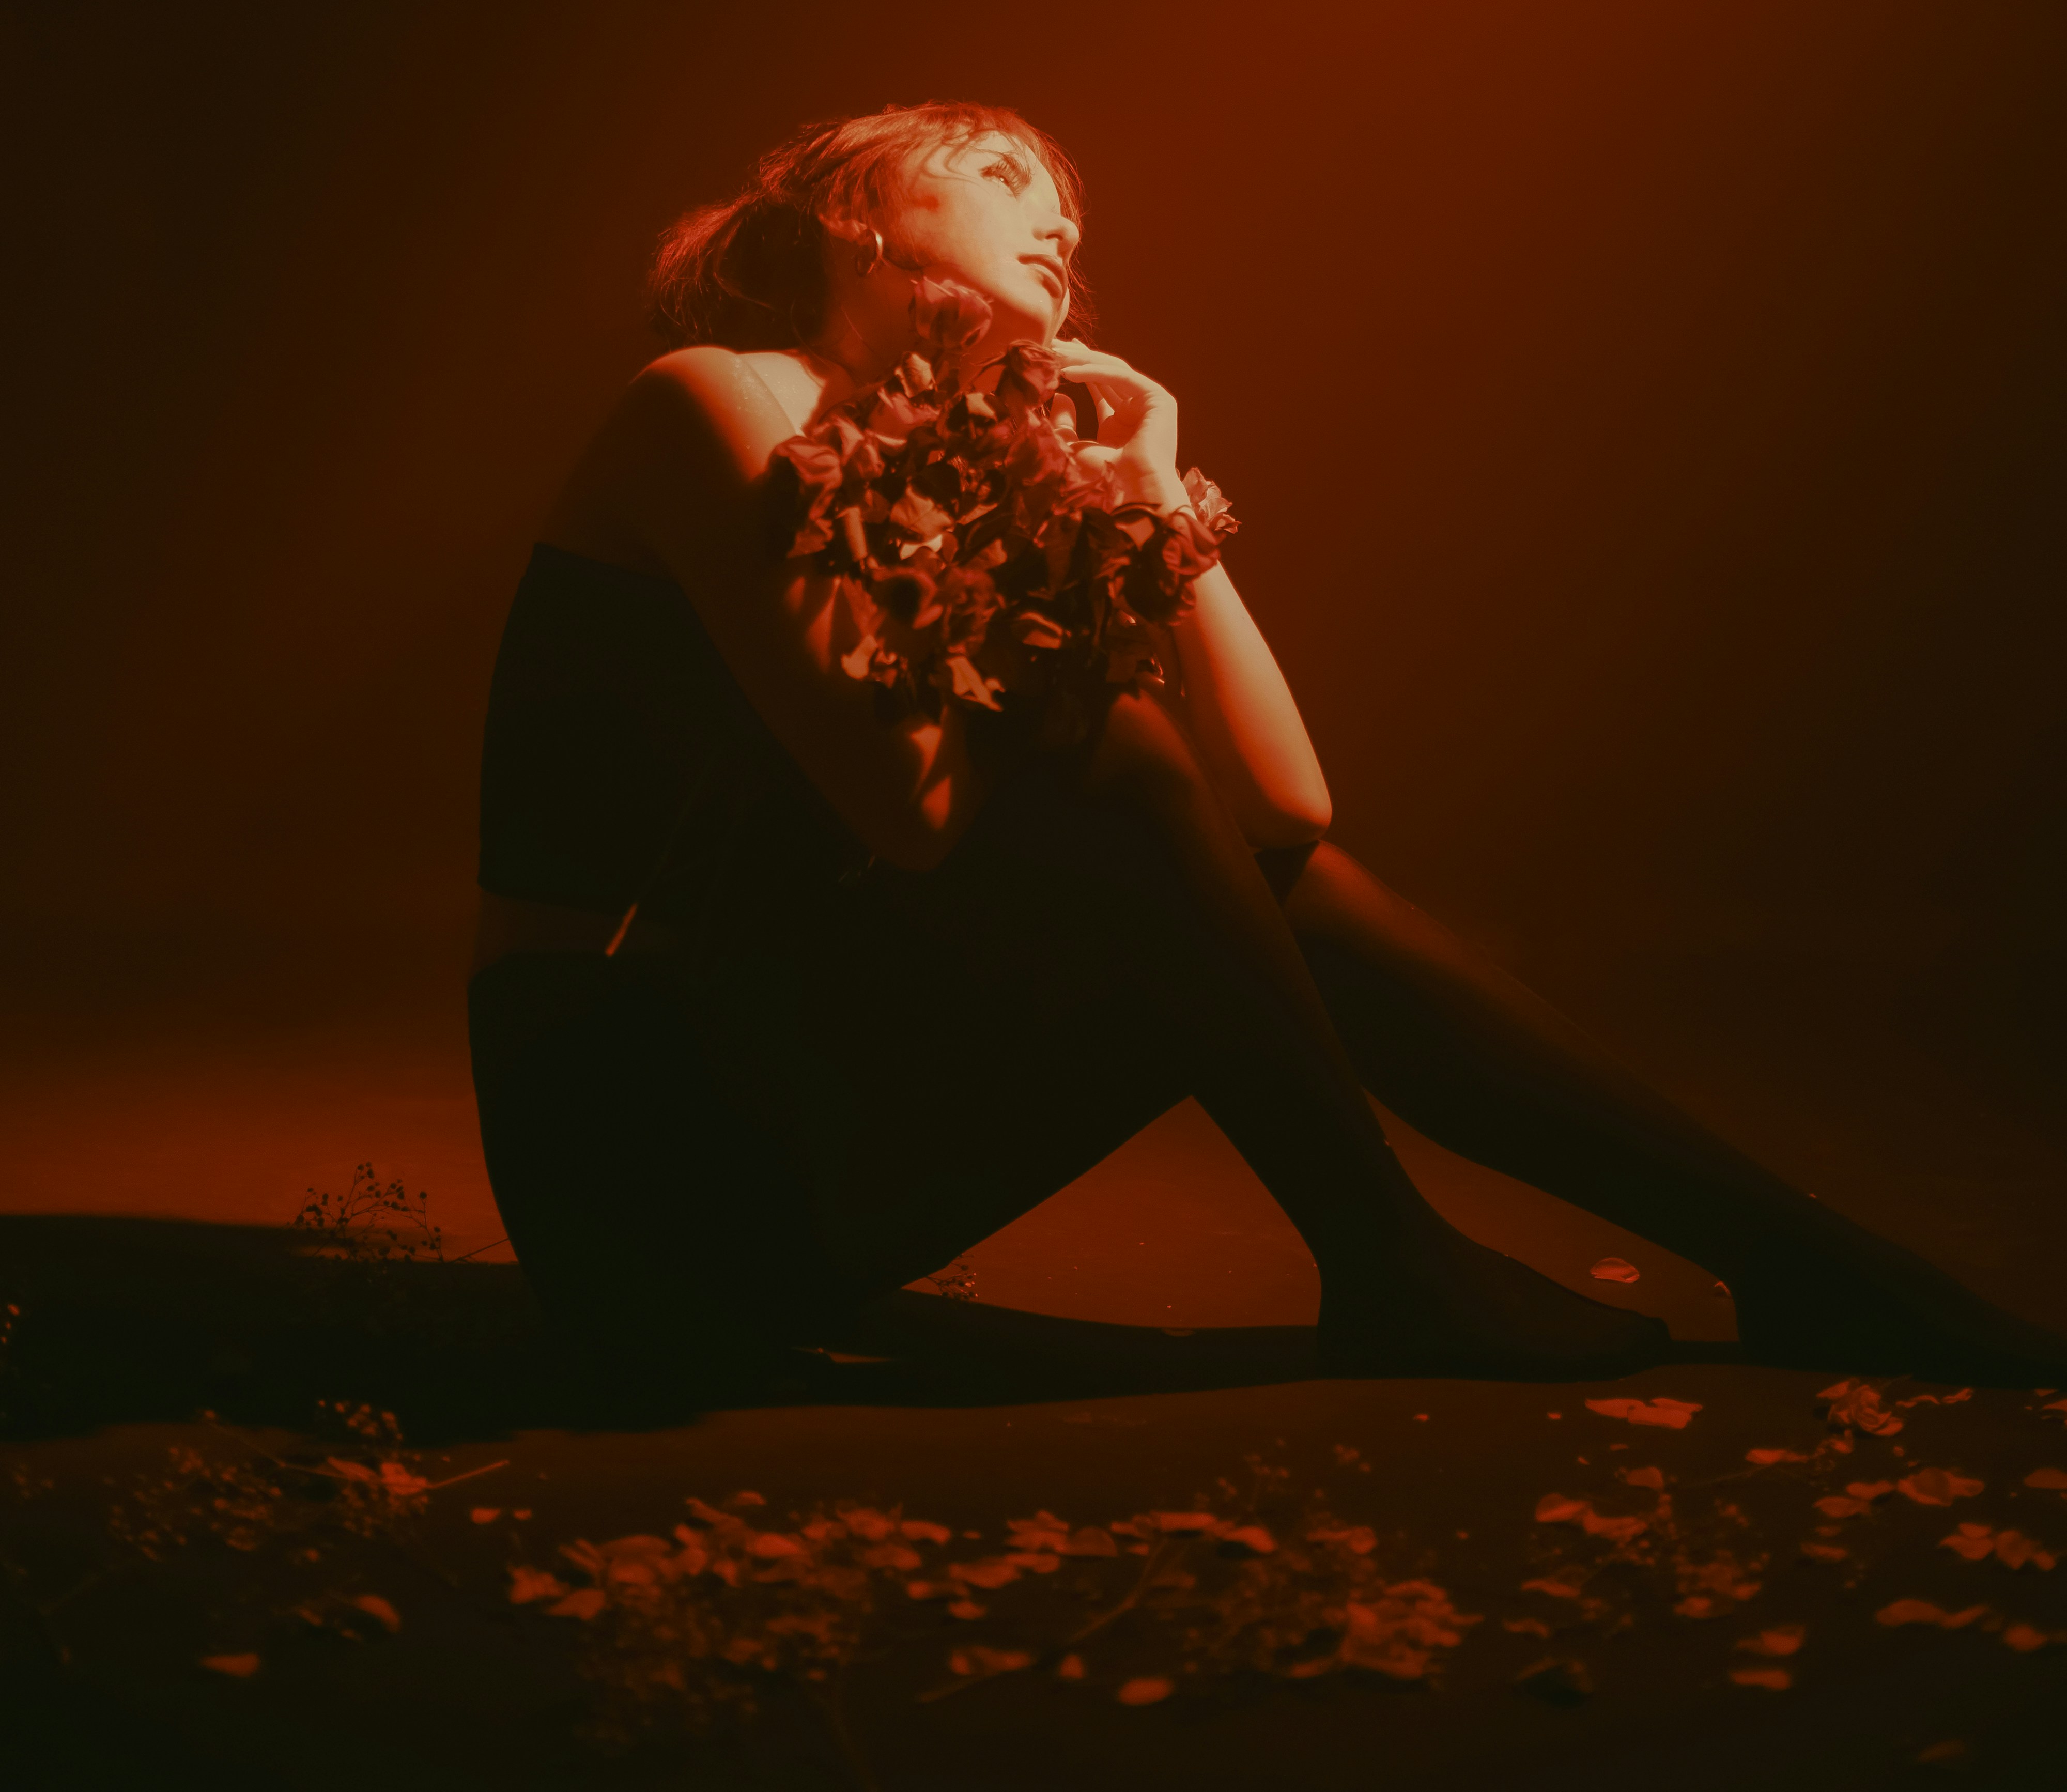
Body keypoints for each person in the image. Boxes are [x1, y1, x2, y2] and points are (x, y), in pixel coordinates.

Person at [468, 99, 2063, 1404]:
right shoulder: (714, 402)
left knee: (1266, 872)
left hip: (801, 1127)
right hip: (638, 1164)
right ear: (857, 214)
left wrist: (1151, 487)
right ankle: (1391, 1255)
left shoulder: (967, 460)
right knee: (1109, 750)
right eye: (1005, 174)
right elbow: (913, 814)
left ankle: (1793, 1259)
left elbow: (1289, 812)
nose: (1059, 220)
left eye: (1069, 209)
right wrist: (1074, 677)